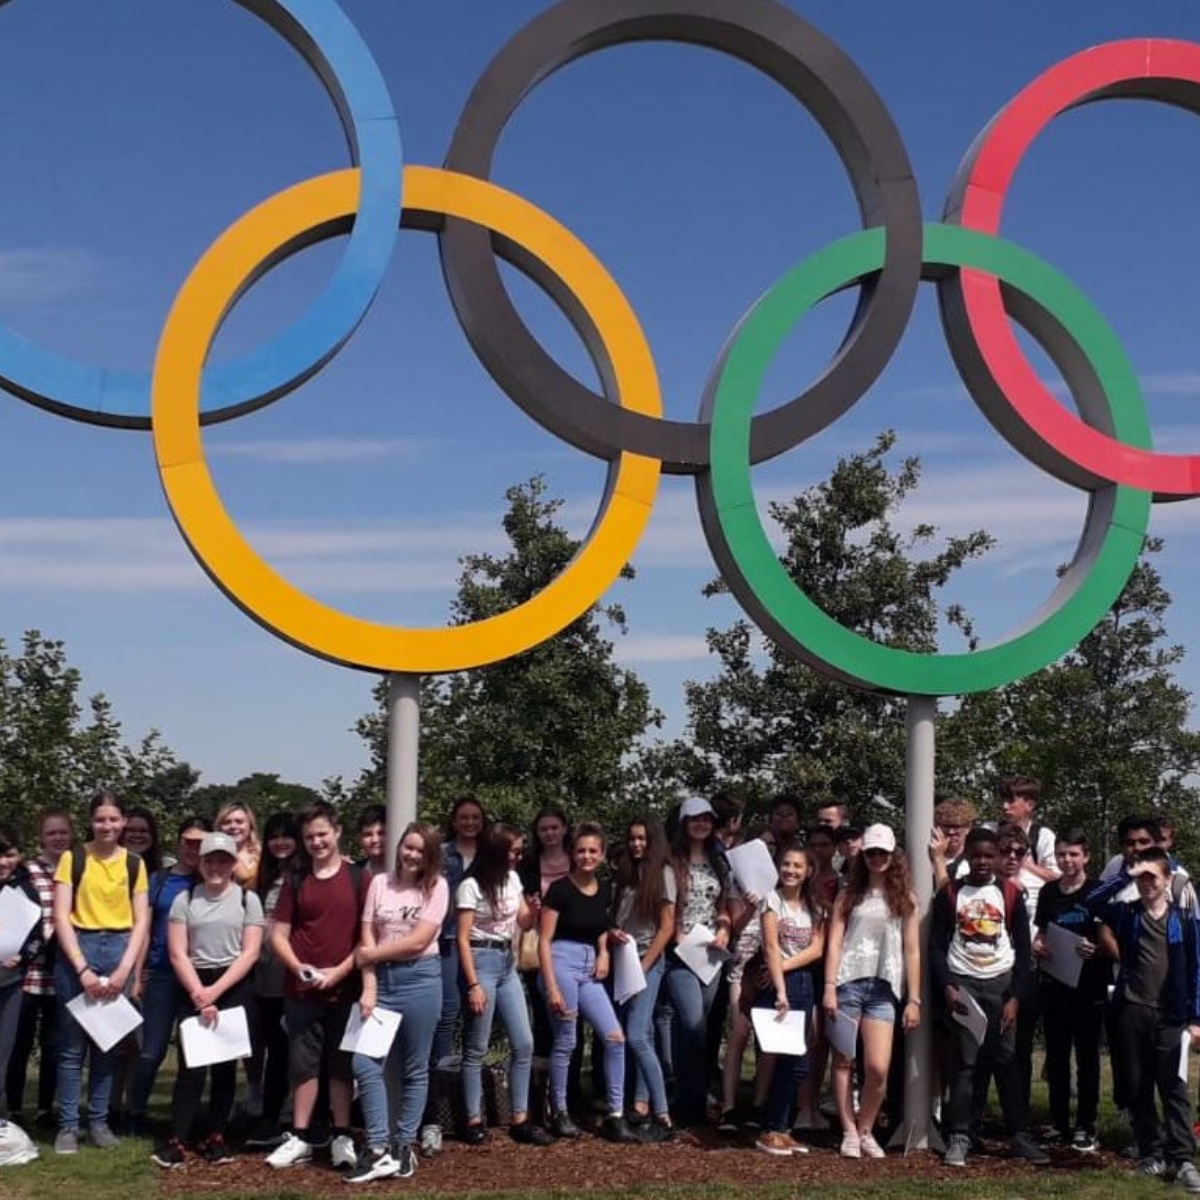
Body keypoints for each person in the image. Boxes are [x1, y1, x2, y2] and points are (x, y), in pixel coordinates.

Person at [930, 826, 1047, 1169]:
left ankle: (1019, 1134)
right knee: (965, 1064)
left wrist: (1015, 997)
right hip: (964, 984)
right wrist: (948, 986)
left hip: (1000, 984)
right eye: (976, 854)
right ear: (966, 855)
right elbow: (936, 946)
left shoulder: (1010, 895)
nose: (982, 861)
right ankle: (961, 1134)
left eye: (989, 855)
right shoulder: (950, 894)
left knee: (1007, 1061)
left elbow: (1024, 952)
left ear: (998, 858)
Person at [1087, 847, 1200, 1190]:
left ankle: (1182, 1158)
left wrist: (1195, 1018)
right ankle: (1152, 1152)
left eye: (1154, 877)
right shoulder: (1128, 913)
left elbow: (1196, 969)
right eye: (1143, 878)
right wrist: (1126, 874)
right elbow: (1092, 901)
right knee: (1138, 1085)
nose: (1147, 883)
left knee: (1174, 1087)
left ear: (1167, 880)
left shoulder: (1183, 921)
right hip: (1132, 1010)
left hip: (1170, 1016)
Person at [152, 831, 265, 1168]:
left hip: (233, 983)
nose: (216, 866)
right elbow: (177, 952)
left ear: (233, 864)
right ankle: (178, 1138)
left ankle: (217, 1135)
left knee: (225, 1068)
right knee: (192, 1067)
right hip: (194, 982)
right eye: (209, 860)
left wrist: (216, 992)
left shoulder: (248, 900)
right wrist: (199, 994)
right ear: (200, 862)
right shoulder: (185, 899)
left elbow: (250, 952)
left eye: (223, 860)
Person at [266, 803, 366, 1171]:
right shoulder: (296, 879)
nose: (317, 842)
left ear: (337, 832)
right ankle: (301, 1136)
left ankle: (342, 1134)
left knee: (341, 1066)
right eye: (310, 837)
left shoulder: (359, 879)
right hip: (303, 991)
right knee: (303, 1066)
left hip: (346, 987)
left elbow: (366, 937)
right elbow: (278, 934)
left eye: (322, 834)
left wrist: (340, 971)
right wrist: (298, 967)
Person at [347, 822, 447, 1184]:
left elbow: (419, 941)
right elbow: (367, 933)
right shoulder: (379, 883)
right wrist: (369, 984)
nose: (412, 855)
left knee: (414, 1068)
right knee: (364, 1062)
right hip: (383, 982)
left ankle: (404, 1145)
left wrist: (368, 954)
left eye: (421, 850)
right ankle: (377, 1146)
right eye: (408, 847)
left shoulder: (437, 888)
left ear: (430, 855)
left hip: (421, 978)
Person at [52, 790, 150, 1154]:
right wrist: (81, 968)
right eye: (100, 819)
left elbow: (141, 920)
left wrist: (126, 967)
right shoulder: (72, 858)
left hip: (119, 950)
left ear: (123, 821)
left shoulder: (134, 864)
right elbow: (61, 915)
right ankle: (67, 1127)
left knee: (107, 1046)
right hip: (79, 948)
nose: (107, 826)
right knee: (71, 1048)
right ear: (91, 822)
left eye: (113, 819)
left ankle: (98, 1122)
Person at [824, 824, 921, 1159]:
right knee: (844, 1062)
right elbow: (835, 943)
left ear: (893, 855)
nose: (877, 858)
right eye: (871, 853)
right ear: (862, 856)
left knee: (878, 1067)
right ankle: (848, 1130)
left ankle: (865, 1127)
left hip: (884, 987)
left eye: (882, 853)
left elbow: (911, 950)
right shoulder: (848, 894)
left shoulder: (905, 898)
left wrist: (913, 998)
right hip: (848, 981)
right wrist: (829, 987)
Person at [539, 822, 637, 1143]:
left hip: (589, 967)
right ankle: (560, 1110)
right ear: (572, 853)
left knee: (615, 1037)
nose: (586, 856)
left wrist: (604, 951)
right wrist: (551, 986)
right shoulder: (560, 890)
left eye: (593, 850)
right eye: (581, 850)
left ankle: (615, 1113)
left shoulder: (605, 888)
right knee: (566, 1040)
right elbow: (544, 940)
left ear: (602, 854)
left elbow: (600, 924)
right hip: (561, 962)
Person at [456, 824, 552, 1147]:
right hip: (481, 960)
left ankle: (520, 1118)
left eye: (521, 851)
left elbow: (523, 921)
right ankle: (472, 1118)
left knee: (523, 1043)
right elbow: (462, 938)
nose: (519, 856)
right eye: (514, 851)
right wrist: (473, 984)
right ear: (497, 851)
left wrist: (534, 912)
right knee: (477, 1046)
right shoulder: (470, 885)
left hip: (507, 962)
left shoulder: (513, 878)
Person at [128, 816, 212, 1134]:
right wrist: (138, 974)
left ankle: (183, 1118)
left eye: (200, 843)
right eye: (188, 841)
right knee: (151, 1051)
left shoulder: (213, 879)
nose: (194, 848)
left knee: (194, 1055)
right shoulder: (159, 880)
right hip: (162, 974)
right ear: (178, 842)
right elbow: (145, 929)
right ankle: (135, 1112)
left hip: (200, 976)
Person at [1032, 828, 1107, 1152]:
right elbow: (1042, 932)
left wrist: (1099, 949)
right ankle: (1059, 1123)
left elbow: (1113, 937)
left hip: (1089, 987)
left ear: (1086, 857)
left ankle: (1086, 1126)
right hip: (1056, 984)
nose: (1067, 860)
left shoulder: (1100, 891)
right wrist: (1039, 945)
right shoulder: (1049, 892)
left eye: (1074, 854)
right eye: (1062, 854)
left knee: (1087, 1059)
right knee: (1057, 1058)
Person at [663, 797, 733, 1128]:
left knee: (700, 1031)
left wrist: (723, 928)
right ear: (684, 823)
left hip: (710, 955)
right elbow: (665, 907)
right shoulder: (671, 862)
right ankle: (684, 1101)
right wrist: (677, 936)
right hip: (679, 955)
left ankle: (697, 1097)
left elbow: (723, 907)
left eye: (707, 819)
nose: (701, 825)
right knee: (691, 1023)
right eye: (695, 820)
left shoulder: (719, 862)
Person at [754, 845, 825, 1156]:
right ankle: (771, 1129)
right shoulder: (772, 901)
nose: (791, 870)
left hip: (802, 982)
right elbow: (770, 946)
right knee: (786, 1059)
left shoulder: (815, 905)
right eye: (786, 864)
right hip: (777, 988)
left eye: (798, 865)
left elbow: (816, 948)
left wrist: (782, 967)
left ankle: (783, 1128)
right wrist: (780, 988)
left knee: (798, 1063)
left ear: (808, 870)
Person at [6, 807, 72, 1129]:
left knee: (55, 1044)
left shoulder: (78, 867)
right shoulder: (27, 871)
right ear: (41, 837)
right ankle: (15, 1106)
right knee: (19, 1042)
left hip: (63, 969)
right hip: (28, 970)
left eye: (62, 832)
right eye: (51, 833)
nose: (57, 838)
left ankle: (47, 1106)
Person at [613, 819, 676, 1141]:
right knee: (643, 1033)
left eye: (642, 839)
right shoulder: (627, 875)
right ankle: (641, 1106)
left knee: (635, 1035)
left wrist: (645, 963)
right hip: (623, 960)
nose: (637, 844)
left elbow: (667, 926)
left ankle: (663, 1116)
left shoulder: (662, 874)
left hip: (646, 962)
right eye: (632, 838)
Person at [244, 811, 301, 1148]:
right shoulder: (260, 878)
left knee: (288, 1047)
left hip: (292, 975)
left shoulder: (303, 876)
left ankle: (282, 1113)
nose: (281, 842)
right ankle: (268, 1111)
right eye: (275, 836)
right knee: (268, 1046)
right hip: (262, 975)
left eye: (287, 836)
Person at [0, 824, 45, 1166]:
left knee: (4, 1052)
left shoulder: (26, 889)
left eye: (9, 854)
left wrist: (24, 957)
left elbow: (39, 933)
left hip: (12, 984)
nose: (3, 861)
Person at [431, 796, 486, 1069]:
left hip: (481, 939)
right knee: (448, 1010)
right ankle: (441, 1069)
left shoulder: (490, 854)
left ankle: (470, 1071)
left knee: (476, 1010)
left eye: (475, 817)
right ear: (454, 821)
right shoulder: (441, 854)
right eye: (464, 817)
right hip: (449, 939)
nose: (470, 823)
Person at [928, 798, 976, 890]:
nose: (951, 832)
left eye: (956, 826)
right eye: (946, 826)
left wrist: (938, 857)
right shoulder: (925, 858)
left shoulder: (971, 863)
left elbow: (947, 896)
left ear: (968, 828)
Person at [215, 802, 261, 891]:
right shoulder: (212, 857)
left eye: (239, 822)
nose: (233, 826)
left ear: (250, 825)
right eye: (227, 822)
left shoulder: (262, 854)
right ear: (220, 827)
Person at [356, 806, 387, 877]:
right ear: (359, 839)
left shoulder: (408, 873)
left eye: (381, 833)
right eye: (368, 834)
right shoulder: (352, 874)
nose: (375, 840)